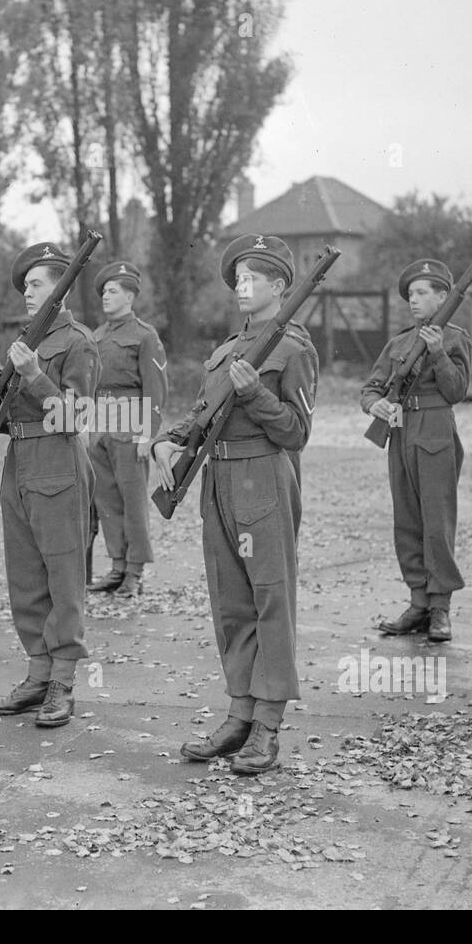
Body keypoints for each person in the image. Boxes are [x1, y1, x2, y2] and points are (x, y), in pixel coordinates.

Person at [154, 234, 318, 775]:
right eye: (238, 278)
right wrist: (169, 440)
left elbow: (296, 433)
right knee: (231, 601)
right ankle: (239, 713)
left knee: (270, 596)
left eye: (254, 277)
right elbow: (204, 410)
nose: (243, 286)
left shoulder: (293, 348)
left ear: (280, 286)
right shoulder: (228, 349)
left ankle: (268, 723)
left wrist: (256, 394)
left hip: (263, 476)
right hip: (217, 479)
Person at [0, 242, 99, 729]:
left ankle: (62, 679)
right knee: (24, 576)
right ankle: (37, 673)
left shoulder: (78, 342)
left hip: (58, 461)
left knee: (63, 576)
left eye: (37, 284)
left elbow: (75, 417)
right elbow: (10, 409)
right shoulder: (27, 340)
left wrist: (36, 375)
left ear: (61, 290)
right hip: (18, 461)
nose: (27, 292)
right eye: (24, 286)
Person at [362, 259, 471, 643]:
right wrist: (373, 404)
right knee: (407, 521)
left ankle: (440, 606)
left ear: (443, 297)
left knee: (436, 521)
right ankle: (418, 601)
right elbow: (371, 387)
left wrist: (439, 353)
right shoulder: (399, 342)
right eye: (410, 294)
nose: (414, 300)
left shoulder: (454, 338)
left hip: (436, 429)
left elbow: (457, 391)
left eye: (422, 293)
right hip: (400, 431)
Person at [86, 261, 167, 598]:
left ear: (130, 296)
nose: (106, 296)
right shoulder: (96, 336)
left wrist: (148, 435)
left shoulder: (145, 336)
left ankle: (135, 572)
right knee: (106, 501)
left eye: (113, 291)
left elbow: (156, 388)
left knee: (133, 502)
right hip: (100, 426)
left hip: (131, 424)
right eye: (104, 291)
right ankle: (117, 566)